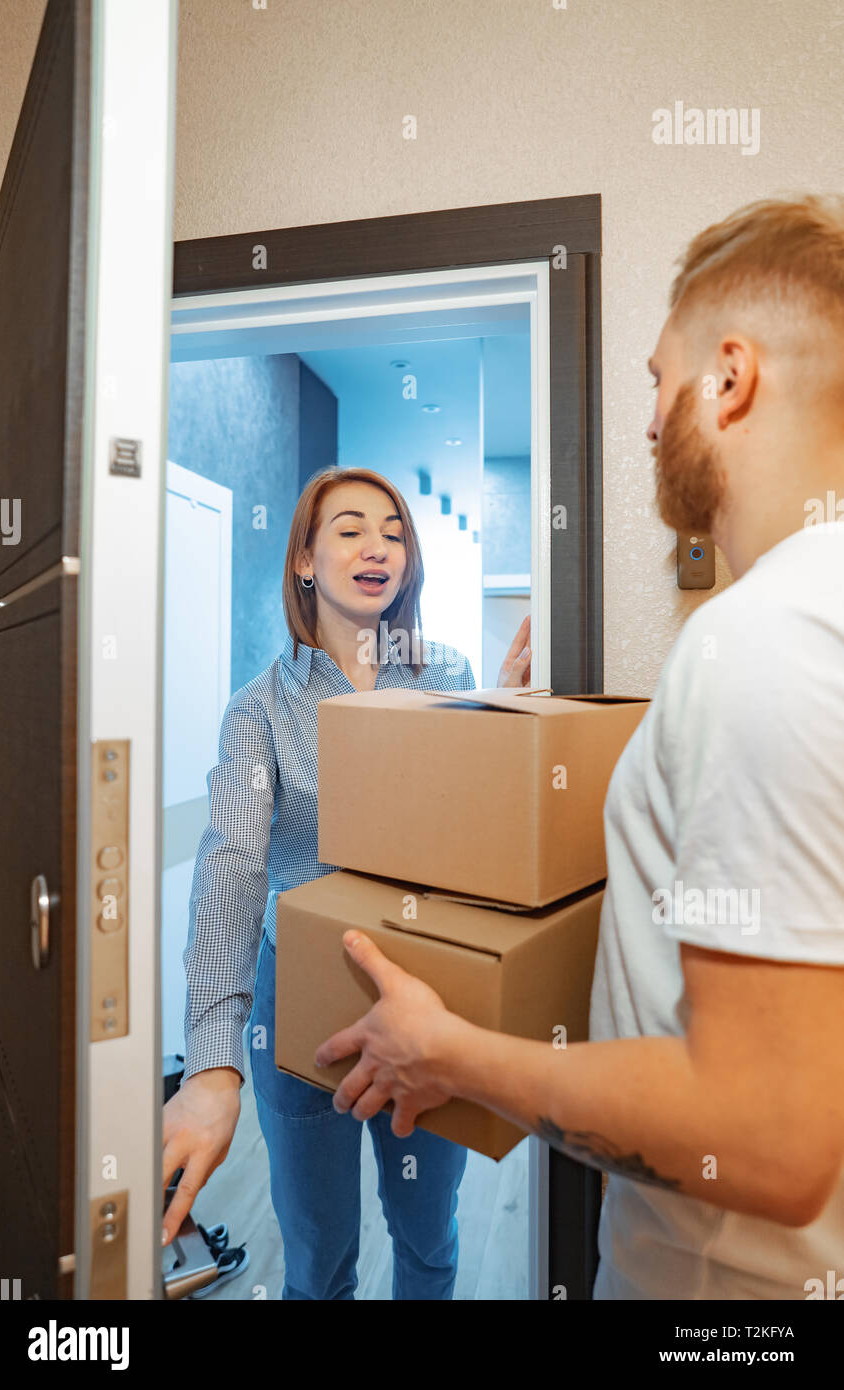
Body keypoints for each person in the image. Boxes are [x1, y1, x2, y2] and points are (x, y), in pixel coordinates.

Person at [315, 195, 844, 1300]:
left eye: (657, 380)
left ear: (729, 377)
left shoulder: (761, 637)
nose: (648, 422)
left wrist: (447, 1051)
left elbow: (769, 1139)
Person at [161, 465, 532, 1299]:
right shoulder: (259, 712)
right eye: (352, 528)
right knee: (320, 1258)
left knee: (427, 1235)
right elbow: (229, 875)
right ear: (303, 560)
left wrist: (507, 729)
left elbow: (476, 840)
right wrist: (212, 1065)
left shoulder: (447, 680)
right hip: (295, 1005)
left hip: (423, 994)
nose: (379, 547)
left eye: (395, 532)